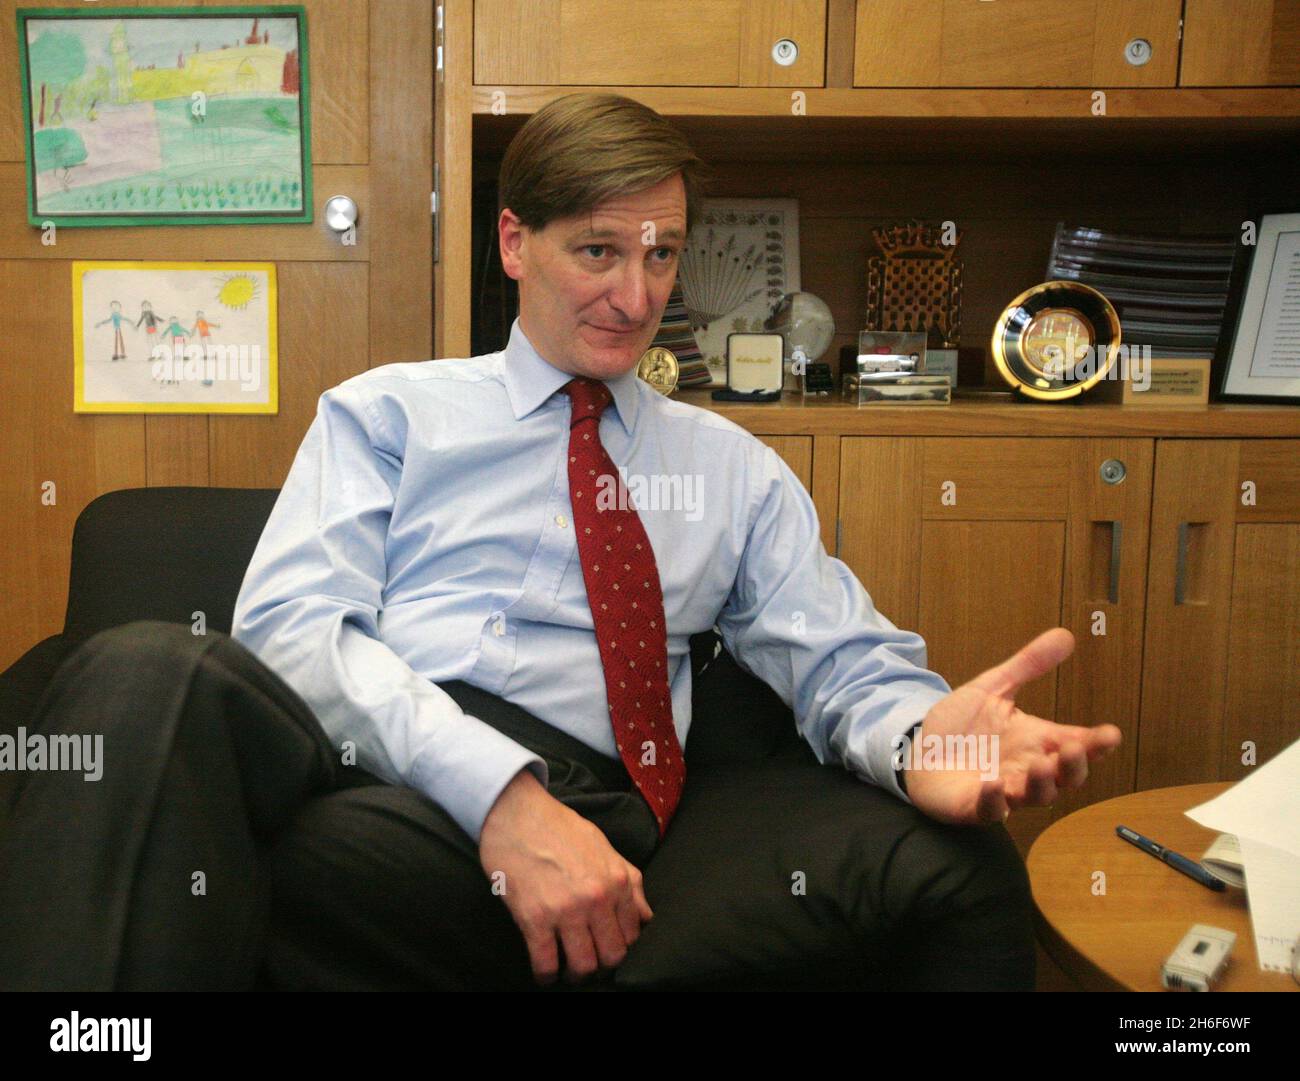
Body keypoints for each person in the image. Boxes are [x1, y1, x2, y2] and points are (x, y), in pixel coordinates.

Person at [0, 93, 1120, 992]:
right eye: (598, 252)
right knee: (144, 666)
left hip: (597, 792)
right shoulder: (389, 413)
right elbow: (291, 630)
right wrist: (497, 798)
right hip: (394, 761)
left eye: (663, 255)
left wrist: (929, 739)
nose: (637, 298)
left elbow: (835, 661)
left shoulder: (729, 468)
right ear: (513, 242)